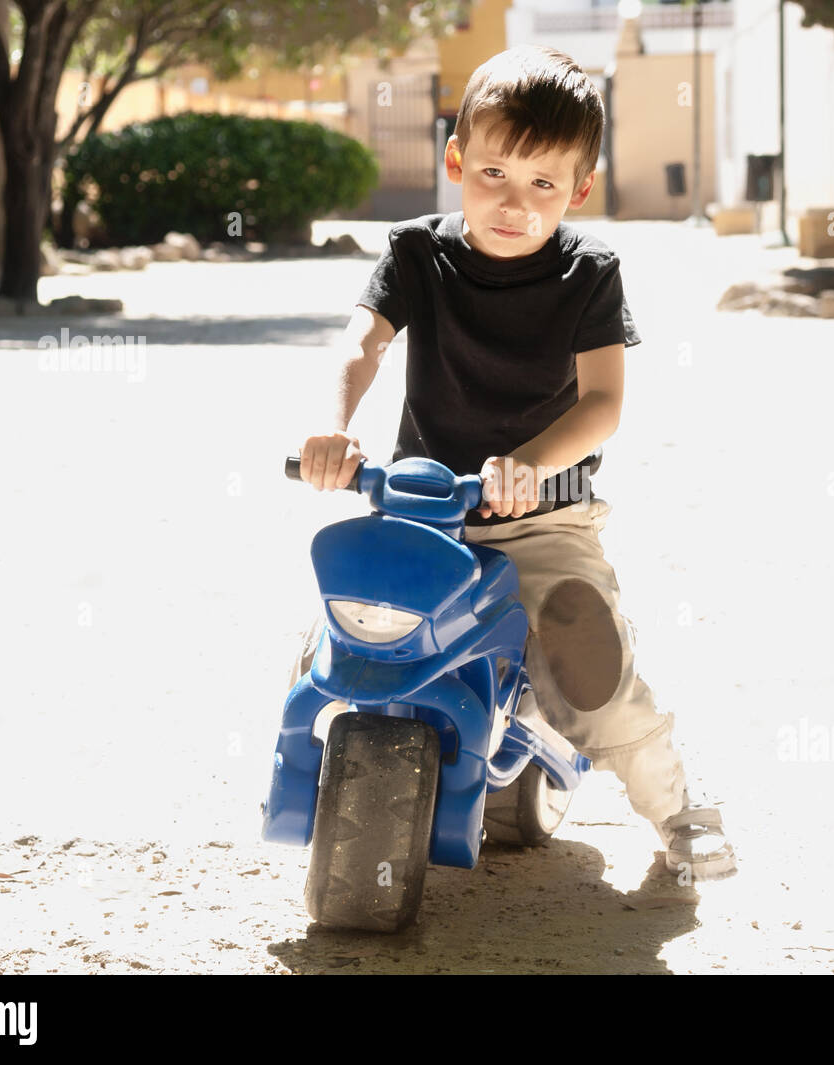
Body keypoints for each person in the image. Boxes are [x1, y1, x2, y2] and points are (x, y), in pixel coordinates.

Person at [295, 45, 735, 880]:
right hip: (428, 510)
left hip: (544, 516)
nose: (513, 201)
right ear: (456, 159)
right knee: (346, 628)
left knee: (585, 652)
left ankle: (682, 813)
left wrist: (529, 462)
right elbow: (363, 342)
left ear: (579, 189)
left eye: (543, 184)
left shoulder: (588, 273)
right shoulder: (419, 255)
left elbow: (602, 402)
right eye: (493, 171)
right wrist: (333, 427)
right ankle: (315, 775)